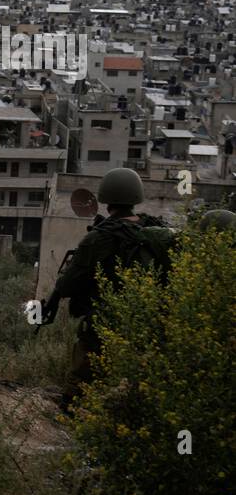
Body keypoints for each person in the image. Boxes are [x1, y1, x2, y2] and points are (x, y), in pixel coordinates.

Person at [42, 168, 174, 409]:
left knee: (81, 379)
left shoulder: (100, 237)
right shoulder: (153, 231)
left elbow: (70, 283)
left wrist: (53, 300)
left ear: (106, 198)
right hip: (148, 321)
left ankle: (73, 413)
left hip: (105, 321)